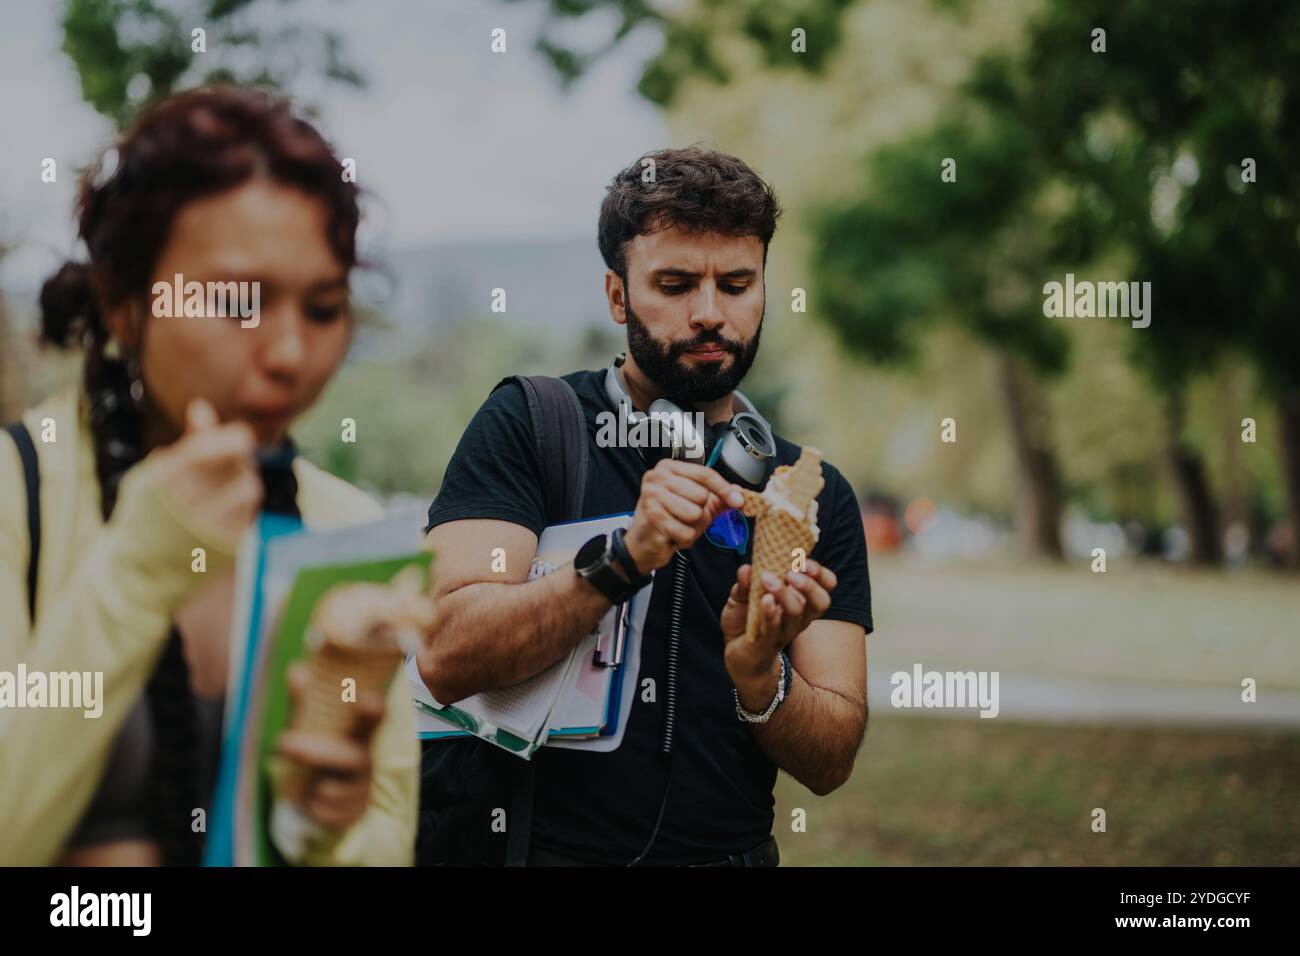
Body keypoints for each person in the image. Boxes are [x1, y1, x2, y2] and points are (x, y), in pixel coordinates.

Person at [418, 146, 872, 866]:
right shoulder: (530, 425)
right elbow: (445, 653)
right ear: (617, 296)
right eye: (675, 283)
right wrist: (624, 558)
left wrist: (763, 678)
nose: (709, 313)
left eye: (735, 283)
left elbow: (832, 760)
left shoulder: (807, 492)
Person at [0, 88, 417, 866]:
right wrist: (142, 563)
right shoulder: (16, 496)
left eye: (324, 308)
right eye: (237, 300)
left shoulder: (346, 531)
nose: (290, 354)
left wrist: (320, 828)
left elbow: (387, 838)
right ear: (124, 305)